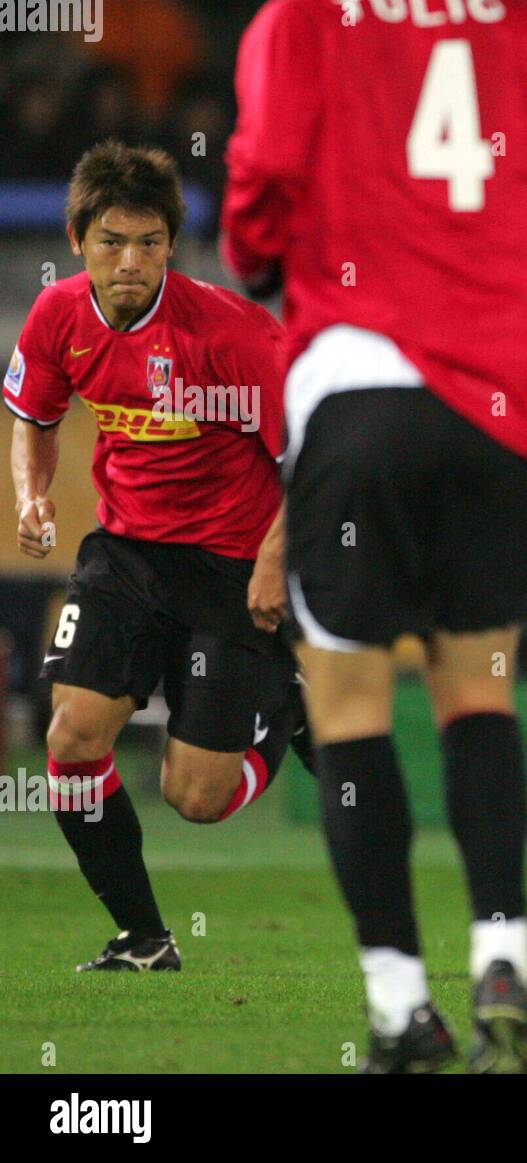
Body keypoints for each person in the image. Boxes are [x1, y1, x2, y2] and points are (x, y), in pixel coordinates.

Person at [222, 0, 527, 1073]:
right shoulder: (526, 26)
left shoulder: (302, 17)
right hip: (499, 413)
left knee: (347, 706)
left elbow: (264, 168)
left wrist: (253, 267)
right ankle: (501, 957)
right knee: (479, 687)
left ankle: (397, 1006)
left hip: (357, 386)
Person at [4, 142, 311, 973]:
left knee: (197, 799)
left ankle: (289, 703)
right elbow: (32, 412)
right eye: (111, 241)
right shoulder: (57, 317)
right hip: (127, 556)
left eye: (148, 242)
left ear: (173, 245)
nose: (129, 260)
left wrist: (276, 565)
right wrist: (32, 494)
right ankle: (143, 937)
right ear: (77, 239)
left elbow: (308, 462)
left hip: (230, 564)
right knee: (69, 737)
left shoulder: (238, 336)